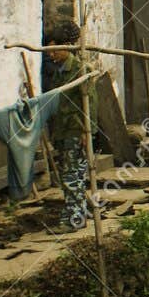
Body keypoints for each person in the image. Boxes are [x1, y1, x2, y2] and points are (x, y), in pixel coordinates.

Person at [41, 22, 90, 231]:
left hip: (75, 130)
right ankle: (77, 213)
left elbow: (90, 102)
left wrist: (87, 131)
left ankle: (73, 219)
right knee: (73, 175)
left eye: (54, 50)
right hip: (63, 130)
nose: (51, 55)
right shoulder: (59, 72)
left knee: (72, 175)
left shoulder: (79, 70)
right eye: (49, 51)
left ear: (66, 47)